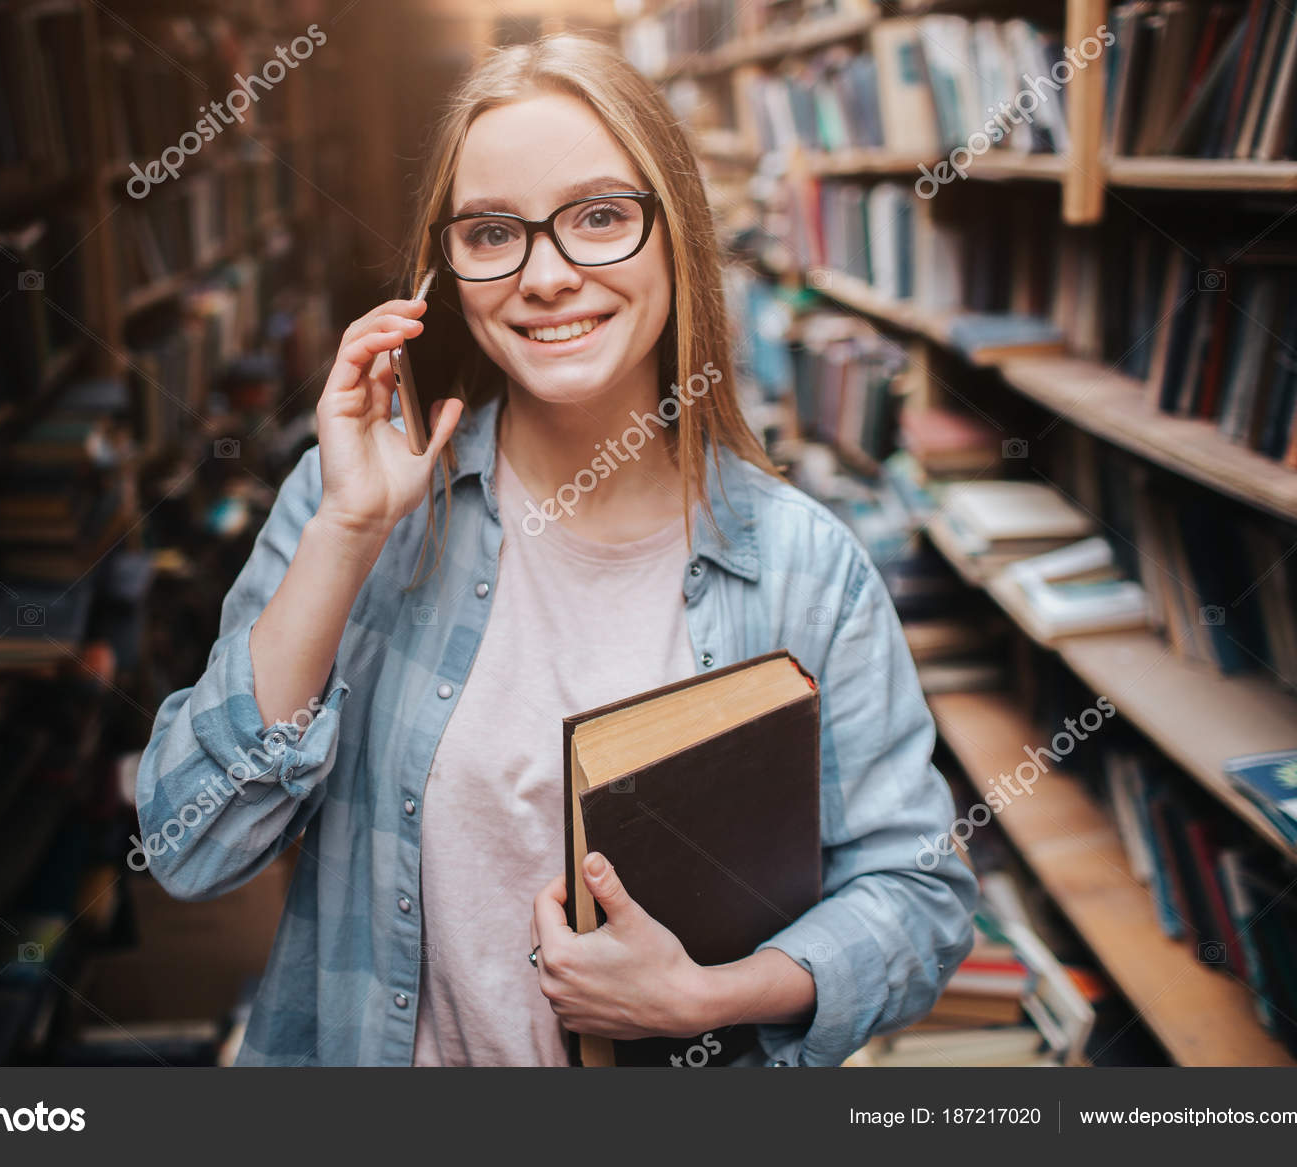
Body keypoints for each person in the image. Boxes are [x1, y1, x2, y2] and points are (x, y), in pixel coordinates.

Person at [135, 32, 975, 1067]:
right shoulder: (353, 506)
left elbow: (917, 900)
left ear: (677, 234)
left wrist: (704, 998)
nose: (545, 276)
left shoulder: (808, 566)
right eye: (492, 233)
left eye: (600, 219)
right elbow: (189, 844)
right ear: (445, 266)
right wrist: (348, 533)